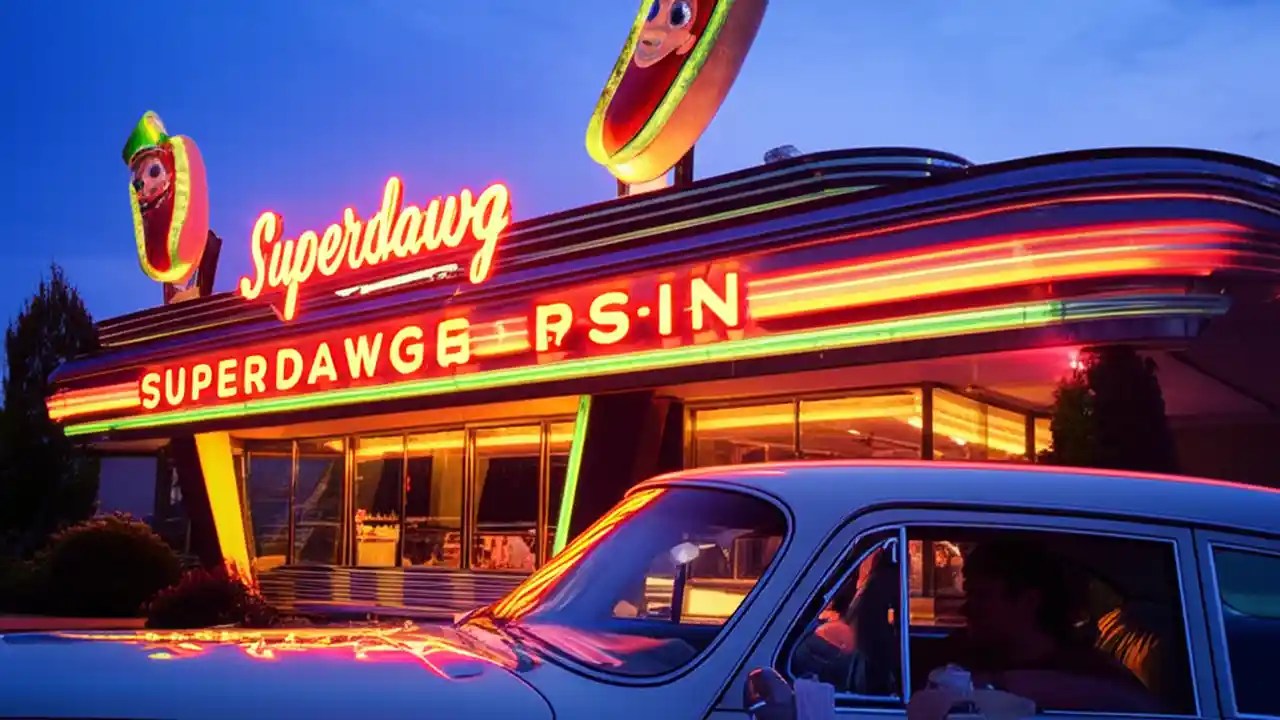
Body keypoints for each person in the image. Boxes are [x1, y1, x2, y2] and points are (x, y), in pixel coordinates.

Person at [908, 539, 1160, 719]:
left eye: (982, 597)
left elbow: (1134, 705)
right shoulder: (967, 653)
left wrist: (993, 685)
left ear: (1028, 601)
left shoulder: (1085, 677)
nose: (966, 609)